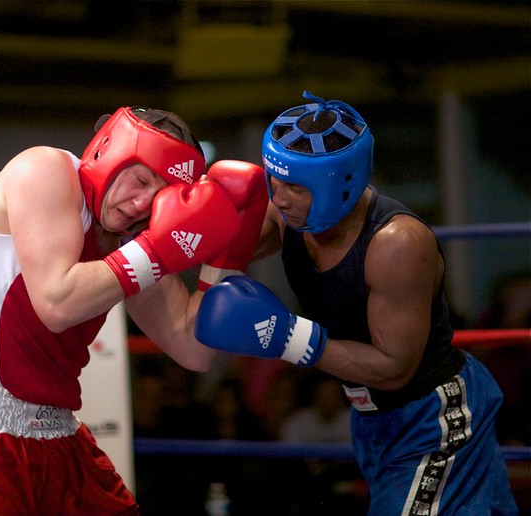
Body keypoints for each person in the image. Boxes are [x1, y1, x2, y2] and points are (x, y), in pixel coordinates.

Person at [0, 106, 269, 514]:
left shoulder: (130, 242)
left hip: (61, 437)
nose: (140, 204)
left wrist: (228, 248)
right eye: (140, 180)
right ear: (110, 150)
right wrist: (159, 248)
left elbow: (192, 348)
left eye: (158, 196)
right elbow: (57, 301)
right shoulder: (44, 170)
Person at [196, 92, 519, 515]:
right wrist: (176, 228)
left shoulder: (396, 244)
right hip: (372, 417)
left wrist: (289, 338)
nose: (281, 197)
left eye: (295, 186)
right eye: (275, 182)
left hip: (432, 416)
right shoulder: (286, 213)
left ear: (340, 181)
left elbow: (394, 367)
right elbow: (222, 251)